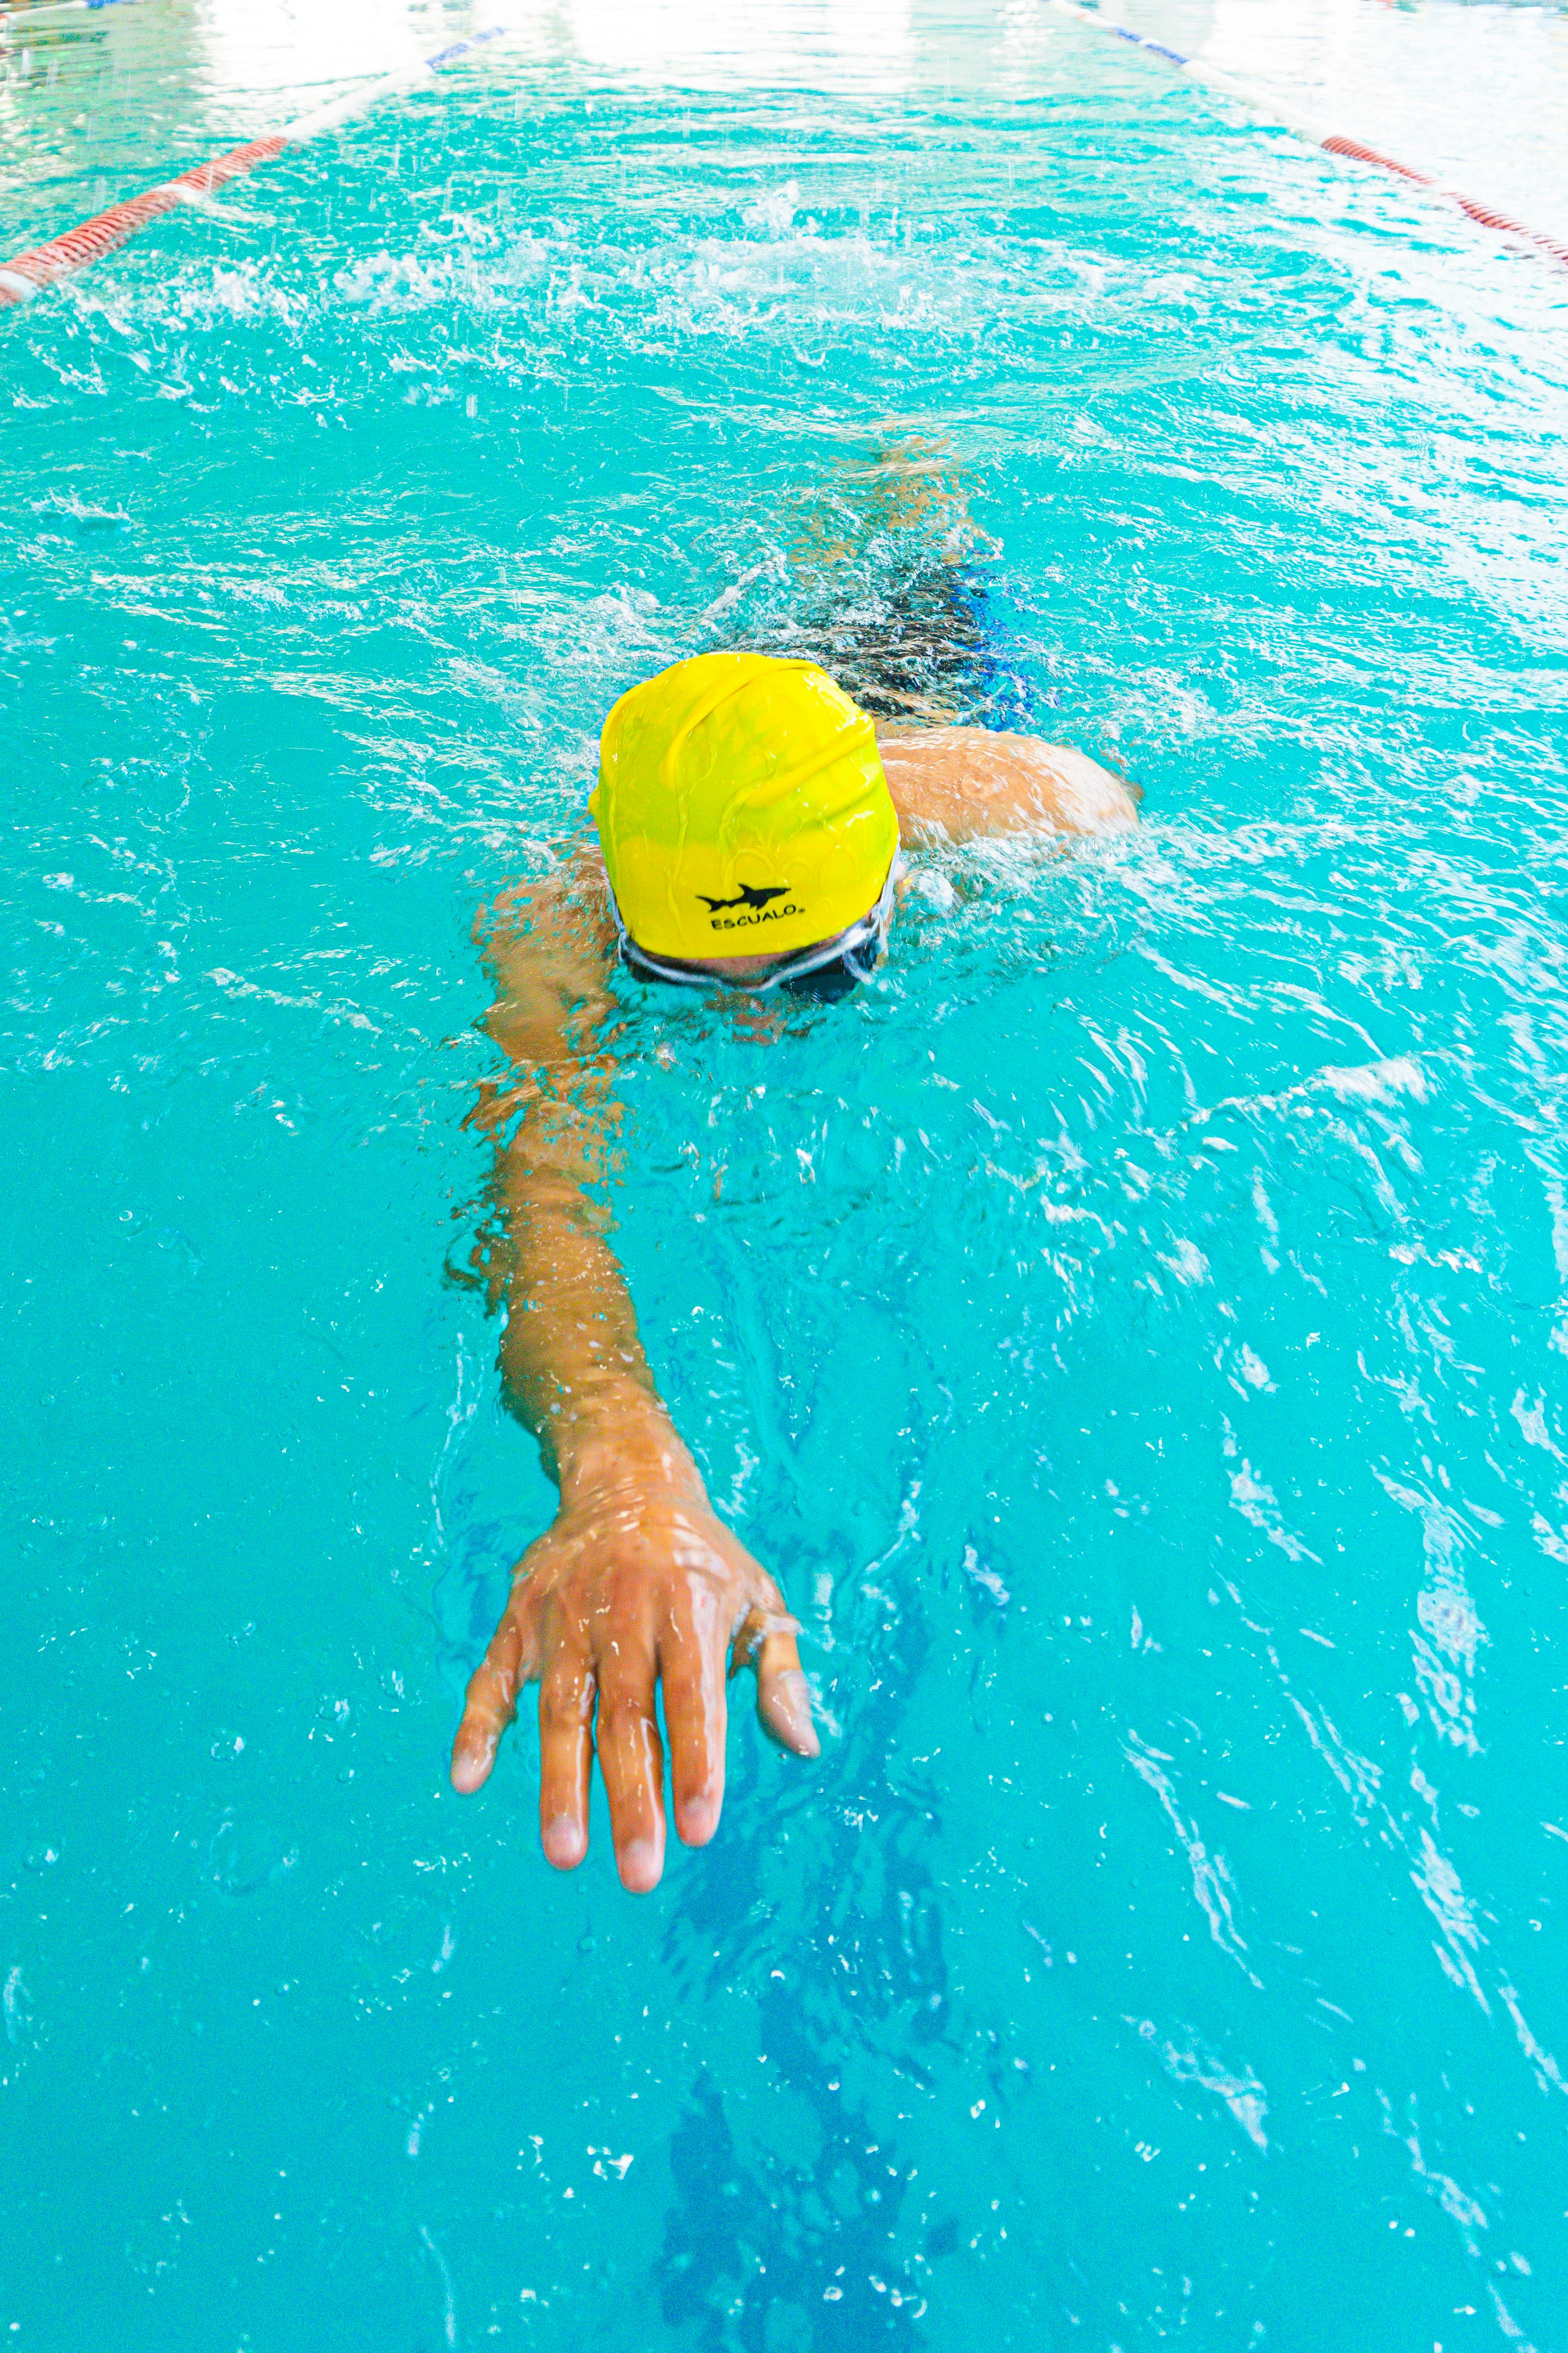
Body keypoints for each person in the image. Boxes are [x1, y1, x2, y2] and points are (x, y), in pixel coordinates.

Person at [446, 639, 1137, 1895]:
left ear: (886, 885)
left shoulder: (1047, 811)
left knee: (915, 591)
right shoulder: (553, 920)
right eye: (679, 982)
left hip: (928, 687)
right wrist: (622, 1468)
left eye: (824, 973)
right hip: (735, 768)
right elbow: (539, 1199)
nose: (757, 1024)